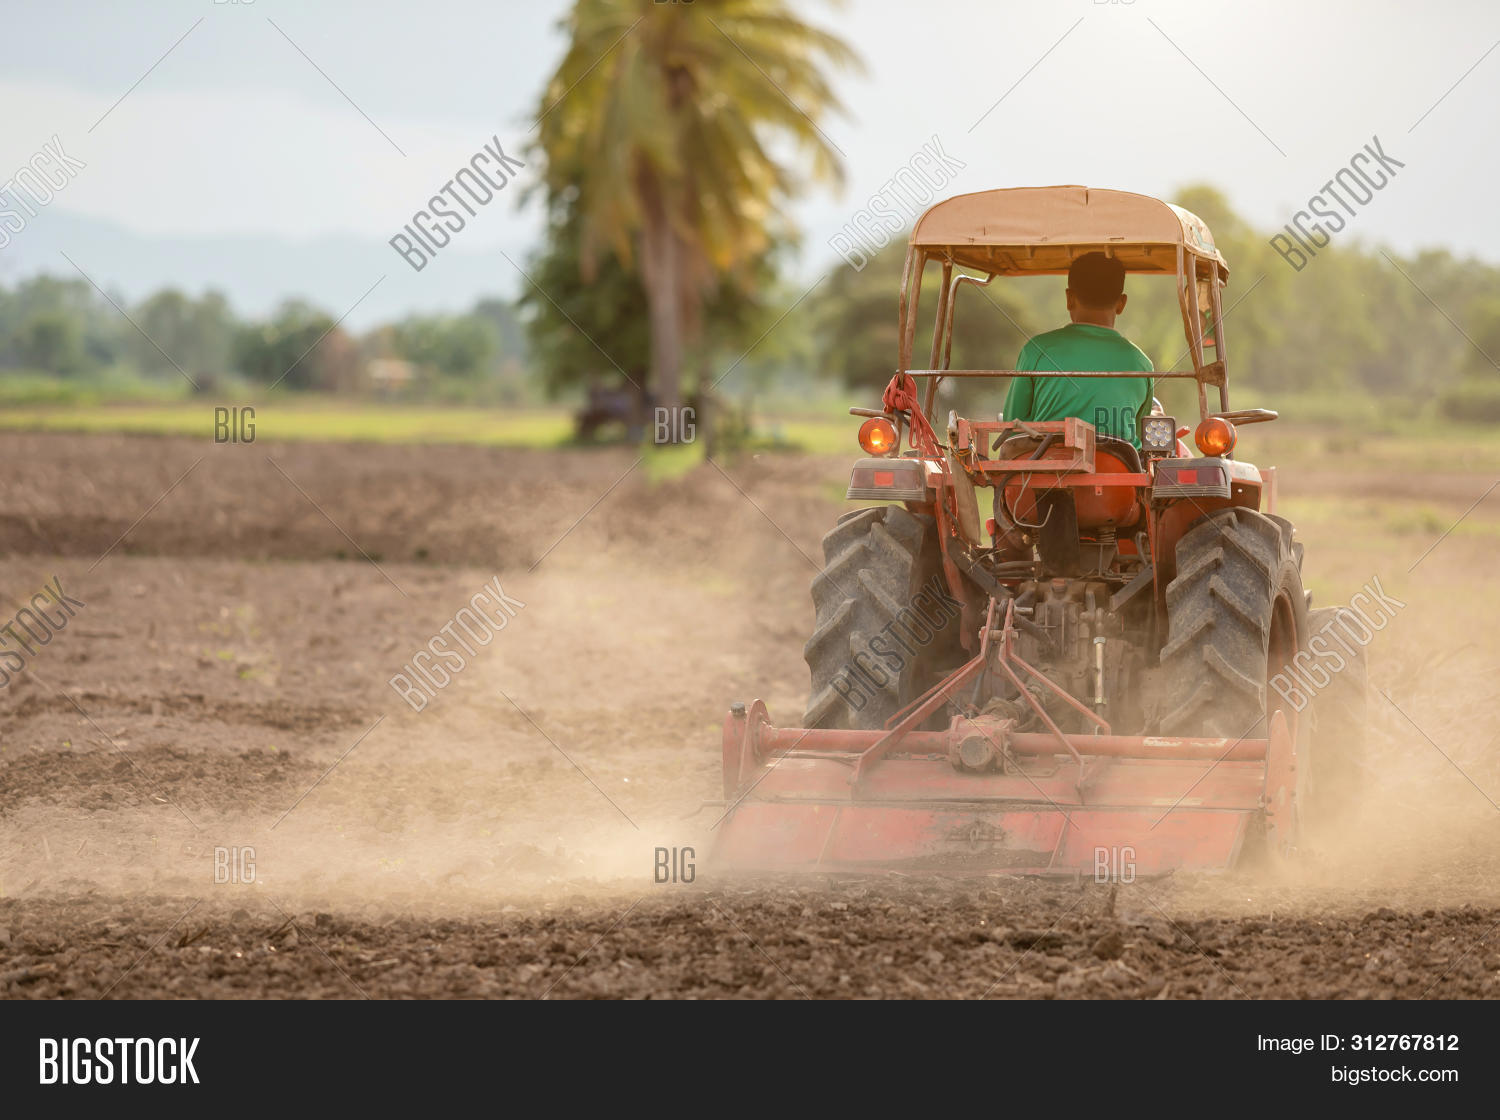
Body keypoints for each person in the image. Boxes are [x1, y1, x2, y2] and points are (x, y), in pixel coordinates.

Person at [1002, 251, 1154, 447]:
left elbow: (1013, 425)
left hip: (1044, 469)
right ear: (1121, 303)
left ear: (1069, 298)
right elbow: (1140, 434)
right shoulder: (1141, 363)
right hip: (1119, 470)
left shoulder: (1036, 350)